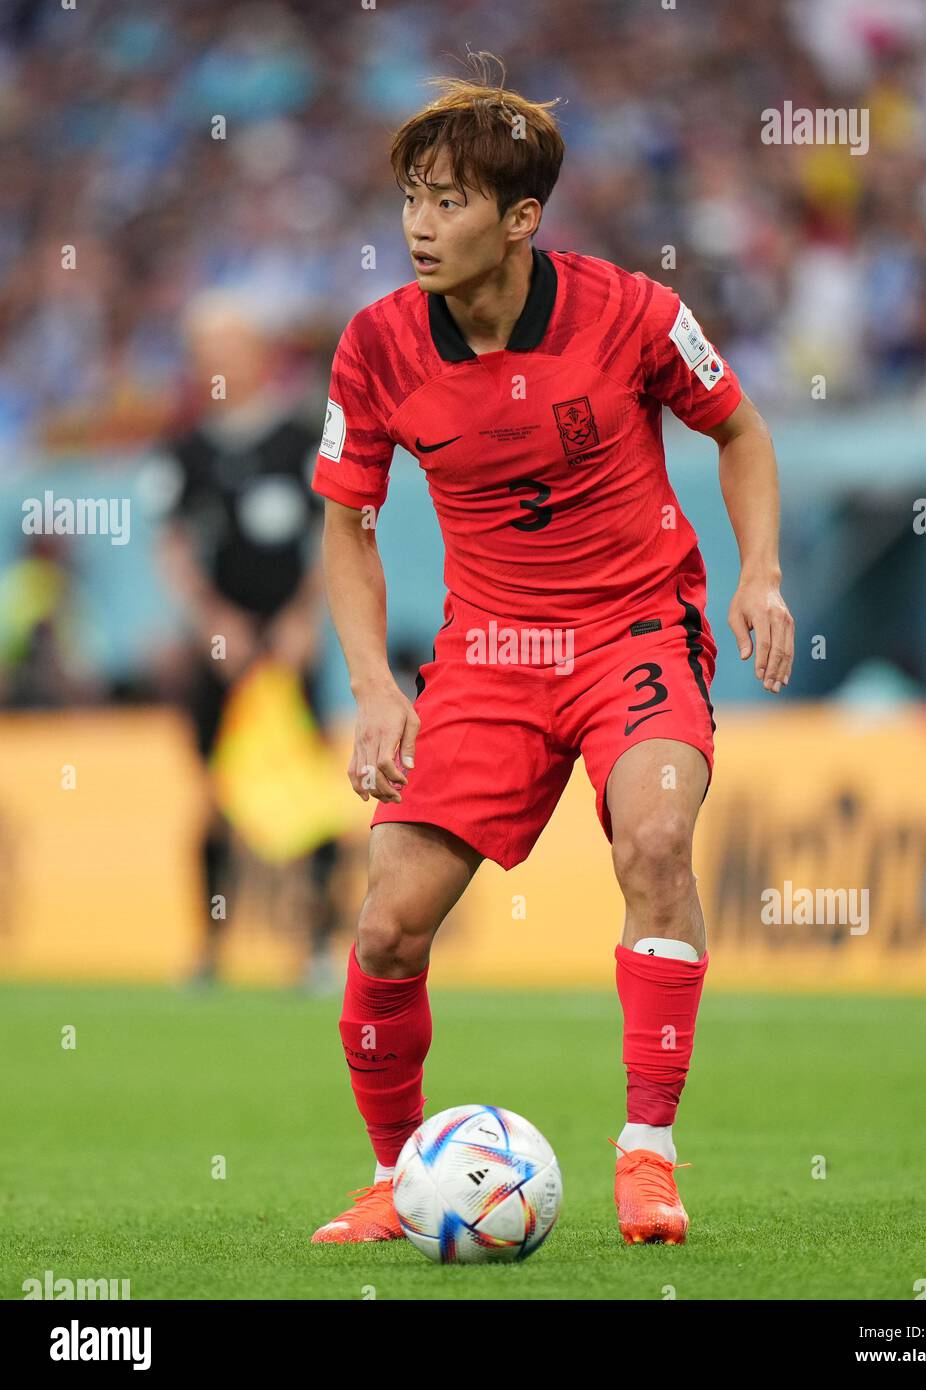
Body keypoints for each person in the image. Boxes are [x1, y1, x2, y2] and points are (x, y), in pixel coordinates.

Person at [311, 58, 794, 1246]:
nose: (420, 226)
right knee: (386, 927)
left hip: (634, 627)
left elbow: (737, 428)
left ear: (520, 218)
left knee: (657, 837)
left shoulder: (627, 312)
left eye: (450, 202)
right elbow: (348, 523)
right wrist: (375, 684)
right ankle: (393, 1176)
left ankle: (646, 1157)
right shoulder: (374, 348)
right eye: (410, 198)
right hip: (485, 653)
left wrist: (760, 570)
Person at [157, 290, 340, 991]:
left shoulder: (301, 438)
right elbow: (172, 544)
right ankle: (210, 947)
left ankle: (318, 942)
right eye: (204, 352)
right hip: (222, 652)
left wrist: (303, 618)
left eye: (226, 349)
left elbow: (337, 530)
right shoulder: (188, 449)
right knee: (214, 794)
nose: (214, 364)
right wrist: (210, 621)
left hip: (289, 646)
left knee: (310, 791)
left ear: (257, 355)